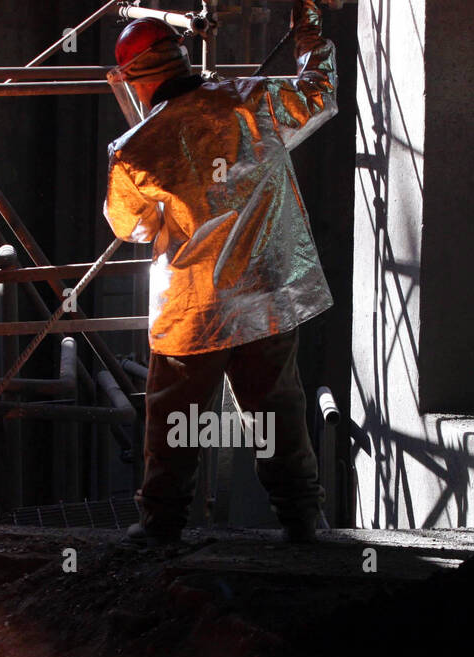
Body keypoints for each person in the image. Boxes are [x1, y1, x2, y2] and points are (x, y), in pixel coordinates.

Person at [103, 0, 337, 546]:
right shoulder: (252, 101)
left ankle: (162, 525)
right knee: (277, 409)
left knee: (175, 417)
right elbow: (320, 93)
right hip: (266, 298)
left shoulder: (134, 150)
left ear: (136, 81)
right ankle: (301, 519)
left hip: (193, 311)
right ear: (182, 60)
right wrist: (310, 34)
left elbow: (129, 226)